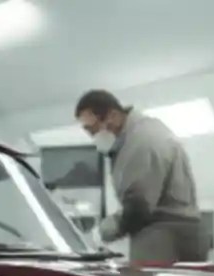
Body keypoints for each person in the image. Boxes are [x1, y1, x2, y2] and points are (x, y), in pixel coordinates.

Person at [74, 90, 207, 263]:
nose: (93, 137)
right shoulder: (146, 129)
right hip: (181, 232)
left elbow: (138, 207)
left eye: (92, 130)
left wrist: (100, 233)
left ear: (112, 116)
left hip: (163, 236)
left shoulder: (140, 142)